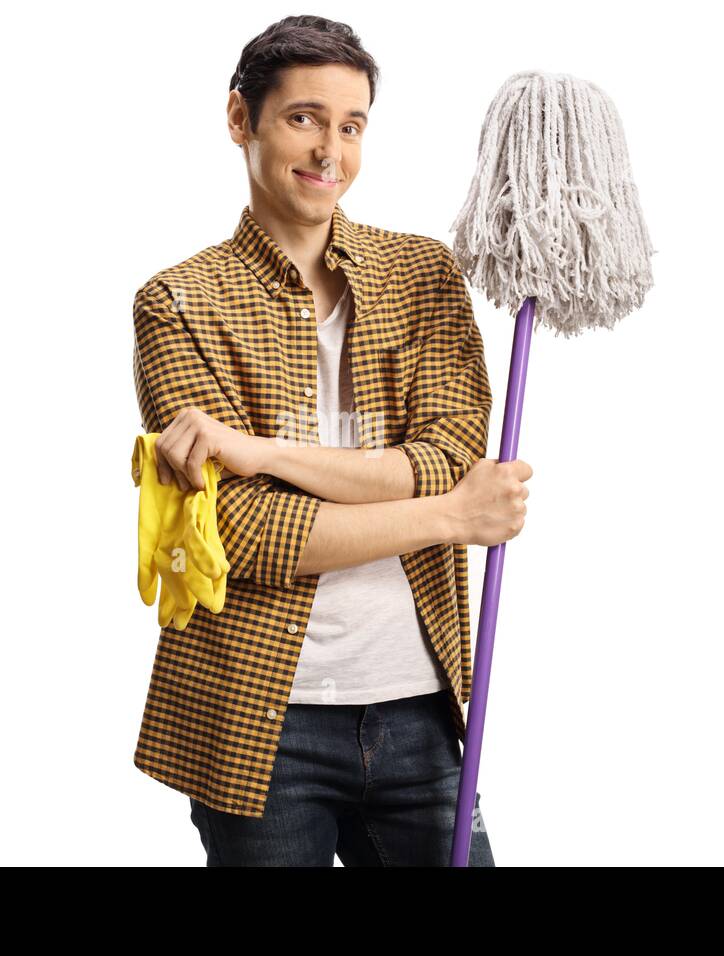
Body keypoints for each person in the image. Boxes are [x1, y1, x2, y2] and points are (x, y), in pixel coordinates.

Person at [131, 15, 532, 866]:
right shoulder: (177, 302)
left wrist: (264, 452)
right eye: (304, 118)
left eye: (351, 127)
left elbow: (451, 455)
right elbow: (244, 535)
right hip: (257, 726)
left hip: (424, 712)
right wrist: (453, 518)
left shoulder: (423, 275)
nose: (330, 152)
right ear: (241, 119)